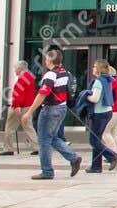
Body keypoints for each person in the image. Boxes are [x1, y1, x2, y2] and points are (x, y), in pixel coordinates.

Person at [24, 49, 82, 179]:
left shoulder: (51, 75)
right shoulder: (65, 73)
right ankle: (73, 158)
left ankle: (47, 171)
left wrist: (29, 112)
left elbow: (42, 94)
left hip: (50, 109)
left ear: (49, 60)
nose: (44, 61)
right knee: (52, 137)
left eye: (46, 59)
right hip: (62, 107)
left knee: (43, 140)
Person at [83, 59, 117, 173]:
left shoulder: (98, 81)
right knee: (98, 139)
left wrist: (85, 95)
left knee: (93, 141)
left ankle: (112, 156)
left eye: (94, 66)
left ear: (99, 68)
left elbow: (95, 98)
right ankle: (96, 166)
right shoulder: (108, 79)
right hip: (108, 111)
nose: (93, 68)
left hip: (99, 113)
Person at [0, 60, 35, 155]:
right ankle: (36, 147)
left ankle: (8, 148)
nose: (14, 71)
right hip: (28, 105)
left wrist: (16, 106)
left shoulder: (21, 78)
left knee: (10, 127)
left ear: (20, 68)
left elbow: (18, 94)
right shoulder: (30, 77)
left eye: (15, 68)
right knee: (29, 127)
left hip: (19, 106)